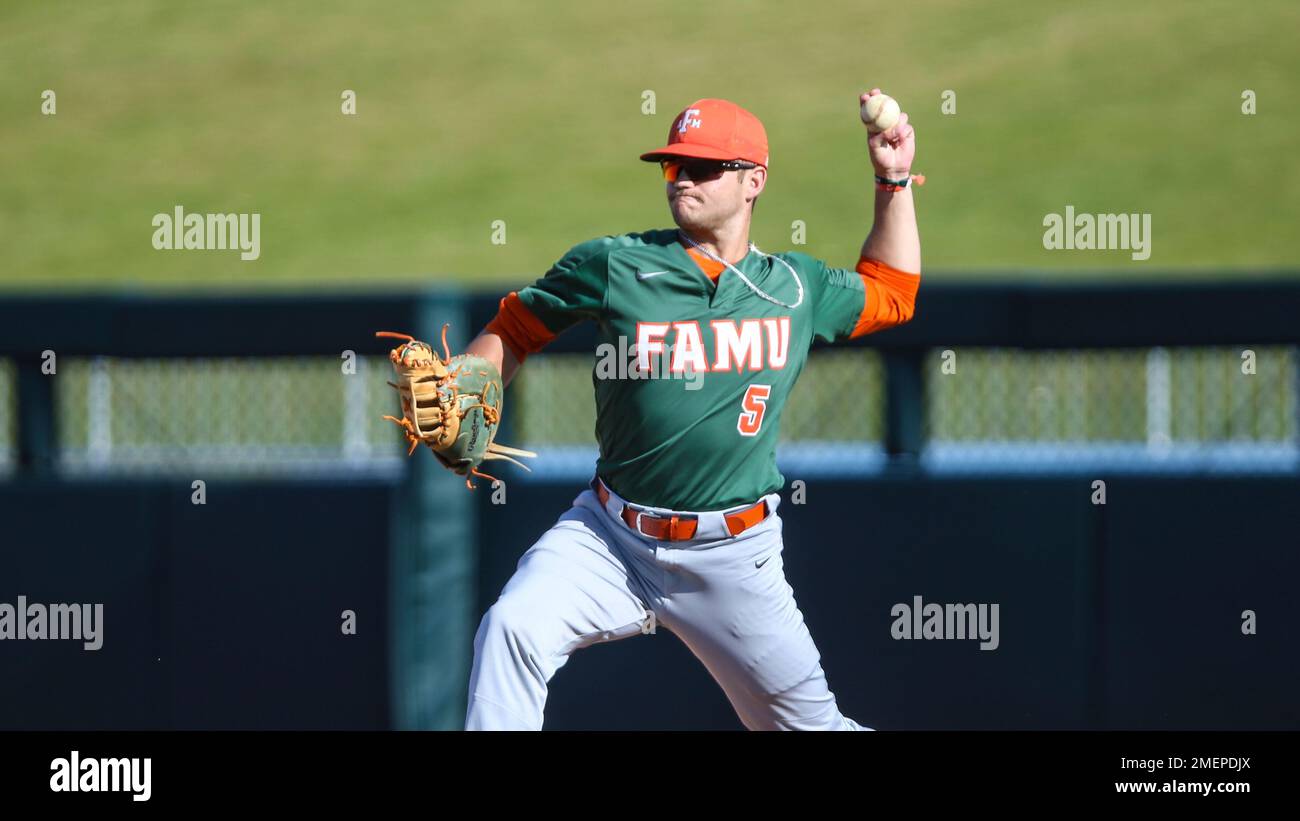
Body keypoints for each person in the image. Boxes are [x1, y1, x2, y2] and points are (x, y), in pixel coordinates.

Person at [462, 90, 921, 730]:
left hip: (736, 556)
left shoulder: (792, 286)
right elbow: (513, 329)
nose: (684, 180)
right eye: (675, 166)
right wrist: (471, 381)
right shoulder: (615, 265)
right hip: (609, 536)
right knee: (511, 628)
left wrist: (892, 179)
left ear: (754, 181)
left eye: (706, 168)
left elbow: (894, 293)